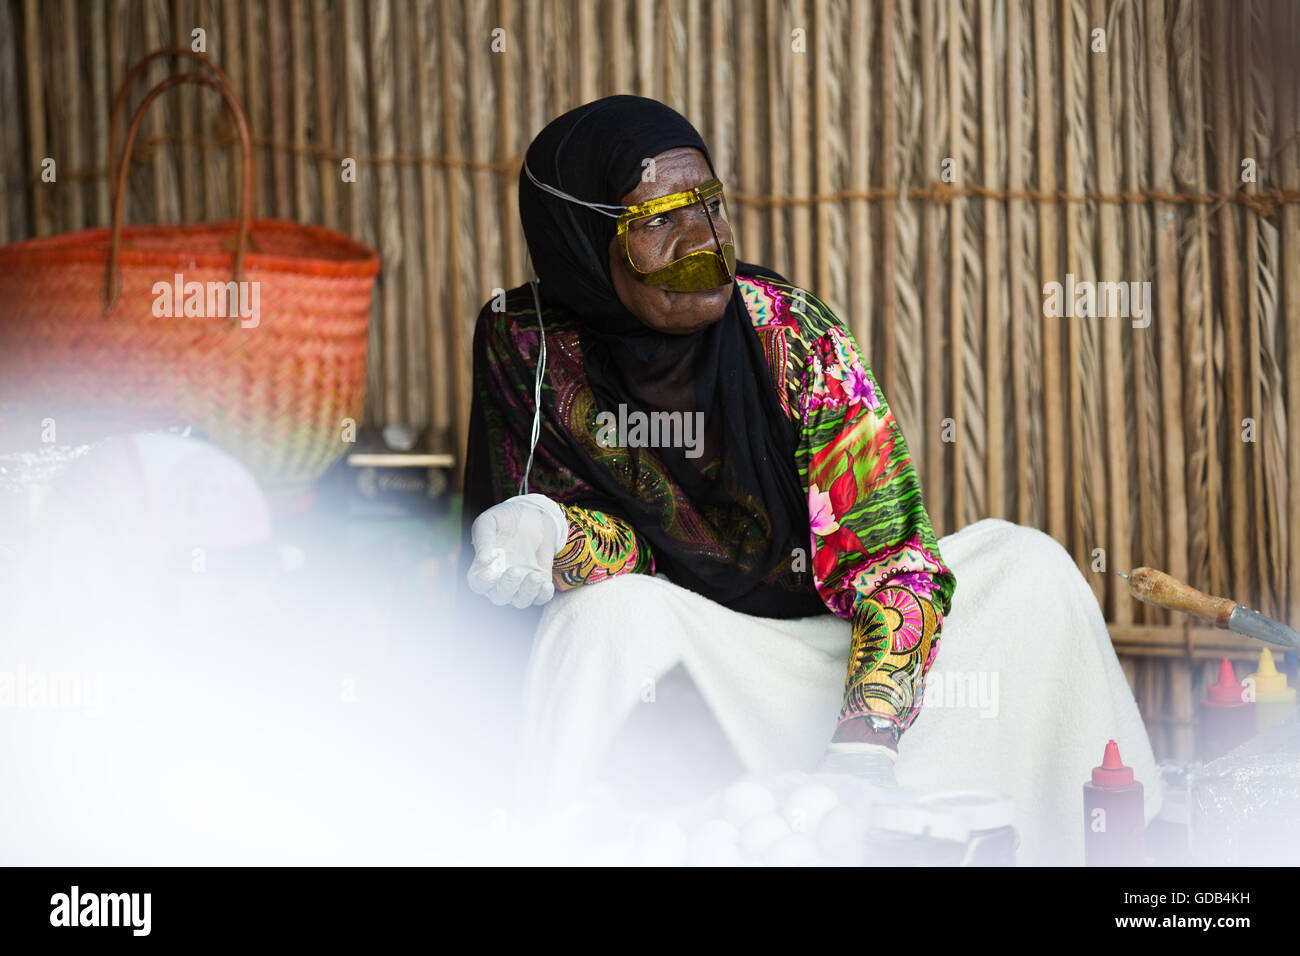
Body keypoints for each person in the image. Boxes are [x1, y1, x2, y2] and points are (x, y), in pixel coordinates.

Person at [458, 96, 1159, 863]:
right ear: (580, 243)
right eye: (658, 222)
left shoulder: (793, 335)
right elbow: (638, 556)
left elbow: (890, 561)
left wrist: (863, 750)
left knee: (1030, 571)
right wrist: (552, 534)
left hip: (834, 647)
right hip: (704, 656)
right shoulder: (525, 347)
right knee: (599, 621)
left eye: (712, 206)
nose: (708, 245)